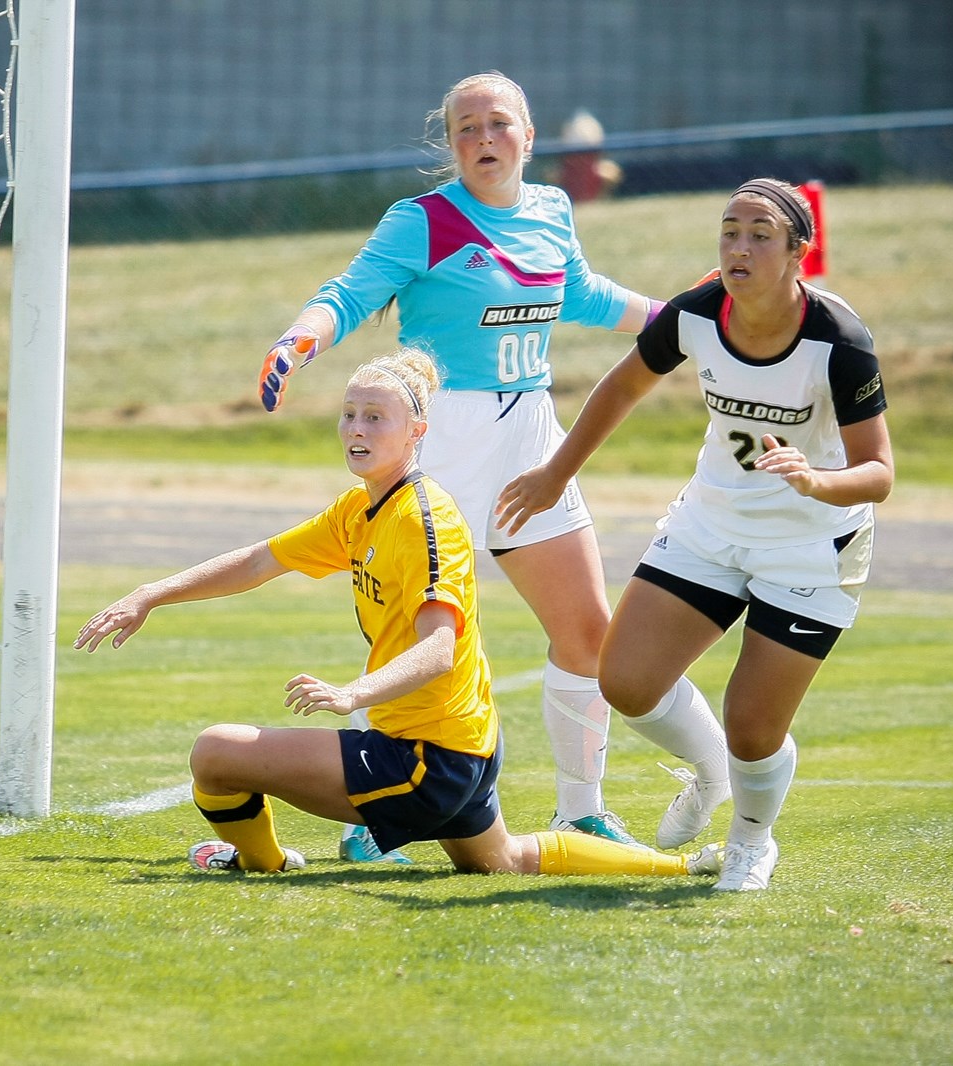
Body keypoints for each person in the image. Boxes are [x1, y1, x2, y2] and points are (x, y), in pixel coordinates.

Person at [256, 70, 702, 860]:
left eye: (498, 123)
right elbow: (349, 295)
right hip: (443, 438)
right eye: (466, 128)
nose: (483, 138)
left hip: (529, 434)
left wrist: (678, 322)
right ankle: (372, 817)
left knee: (587, 633)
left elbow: (580, 294)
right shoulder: (421, 220)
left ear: (528, 135)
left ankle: (580, 812)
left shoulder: (552, 210)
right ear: (452, 144)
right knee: (415, 636)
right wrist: (300, 338)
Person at [77, 349, 722, 881]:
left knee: (216, 753)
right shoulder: (359, 509)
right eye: (349, 415)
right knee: (505, 860)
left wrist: (351, 695)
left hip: (426, 757)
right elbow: (257, 562)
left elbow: (439, 649)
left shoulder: (423, 519)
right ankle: (682, 866)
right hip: (461, 749)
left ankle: (262, 861)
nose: (356, 429)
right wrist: (150, 593)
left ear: (417, 432)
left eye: (375, 418)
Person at [495, 178, 893, 890]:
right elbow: (622, 386)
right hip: (710, 525)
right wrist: (555, 473)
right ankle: (712, 776)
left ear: (798, 252)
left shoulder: (839, 341)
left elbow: (879, 473)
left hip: (811, 545)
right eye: (729, 231)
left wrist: (815, 480)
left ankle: (750, 842)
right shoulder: (697, 312)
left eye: (760, 235)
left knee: (753, 727)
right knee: (625, 681)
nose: (739, 247)